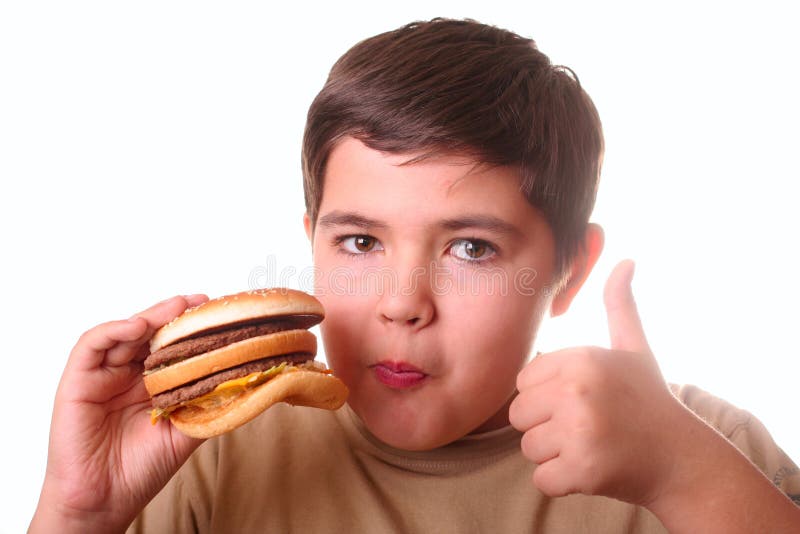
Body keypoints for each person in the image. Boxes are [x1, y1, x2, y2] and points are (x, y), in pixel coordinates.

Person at [30, 18, 800, 533]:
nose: (402, 305)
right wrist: (78, 513)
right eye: (361, 241)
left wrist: (684, 477)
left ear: (570, 272)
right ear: (312, 242)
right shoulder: (216, 454)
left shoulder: (696, 448)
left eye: (472, 249)